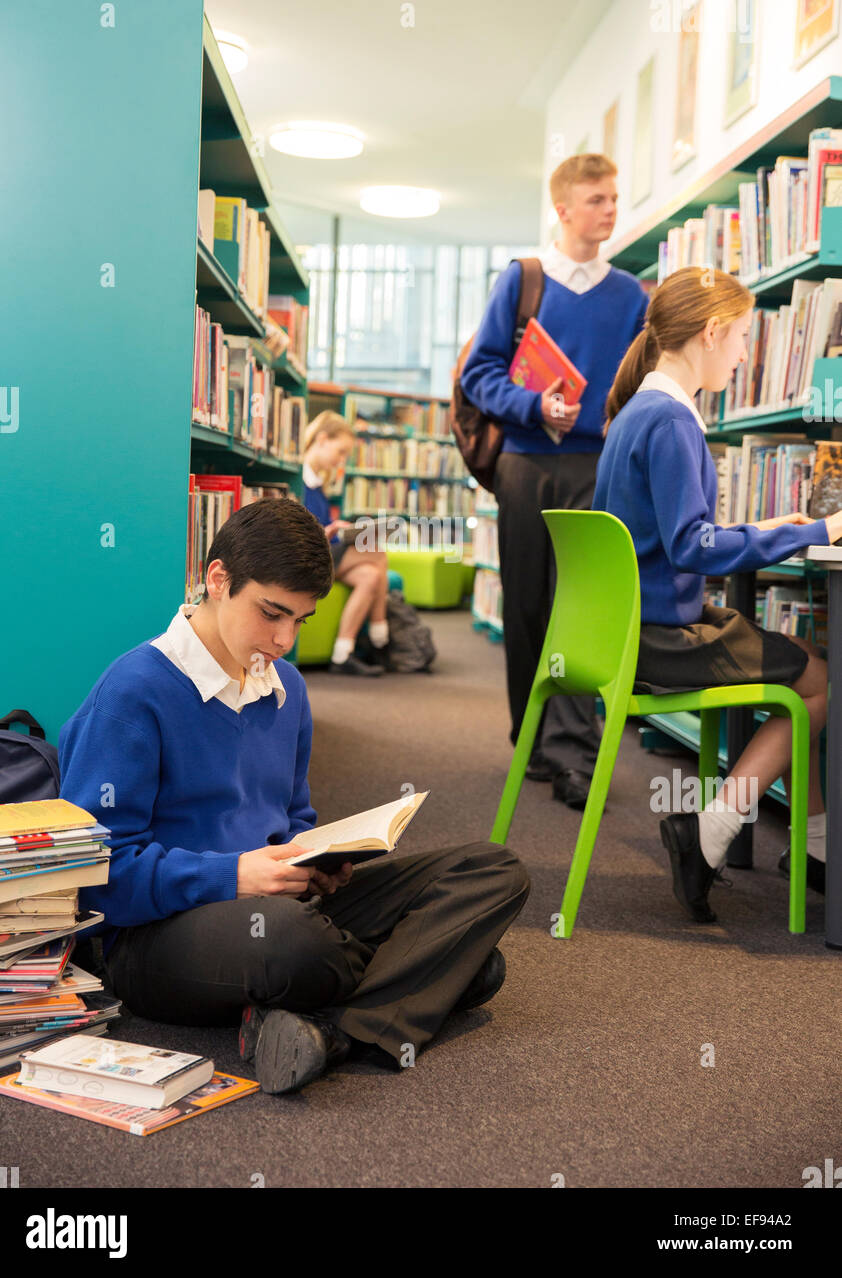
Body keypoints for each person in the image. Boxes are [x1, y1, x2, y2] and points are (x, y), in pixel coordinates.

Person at [58, 496, 530, 1094]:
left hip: (278, 900)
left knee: (493, 871)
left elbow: (291, 821)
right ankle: (415, 978)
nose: (284, 640)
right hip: (159, 936)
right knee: (316, 945)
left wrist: (319, 860)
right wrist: (231, 875)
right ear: (218, 579)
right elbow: (94, 875)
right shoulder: (132, 692)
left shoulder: (289, 691)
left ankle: (333, 1028)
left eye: (300, 621)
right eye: (272, 613)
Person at [593, 266, 842, 923]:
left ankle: (812, 848)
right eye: (739, 341)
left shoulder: (634, 413)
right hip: (660, 639)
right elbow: (690, 549)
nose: (741, 357)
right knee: (816, 680)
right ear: (709, 333)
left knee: (801, 666)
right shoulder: (672, 421)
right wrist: (820, 529)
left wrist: (763, 529)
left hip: (629, 628)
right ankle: (710, 833)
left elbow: (668, 533)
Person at [461, 153, 648, 808]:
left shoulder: (632, 295)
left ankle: (575, 753)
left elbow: (637, 382)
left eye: (615, 198)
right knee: (527, 602)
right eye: (597, 198)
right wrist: (532, 407)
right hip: (524, 460)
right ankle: (532, 739)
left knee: (579, 604)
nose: (611, 209)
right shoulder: (524, 280)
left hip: (595, 463)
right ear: (563, 209)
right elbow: (478, 373)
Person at [303, 410, 390, 677]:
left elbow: (323, 525)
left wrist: (338, 530)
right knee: (377, 552)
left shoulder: (318, 483)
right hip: (308, 558)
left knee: (371, 576)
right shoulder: (301, 480)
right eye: (340, 452)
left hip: (327, 551)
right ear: (322, 439)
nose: (341, 461)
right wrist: (328, 531)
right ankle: (380, 635)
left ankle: (343, 654)